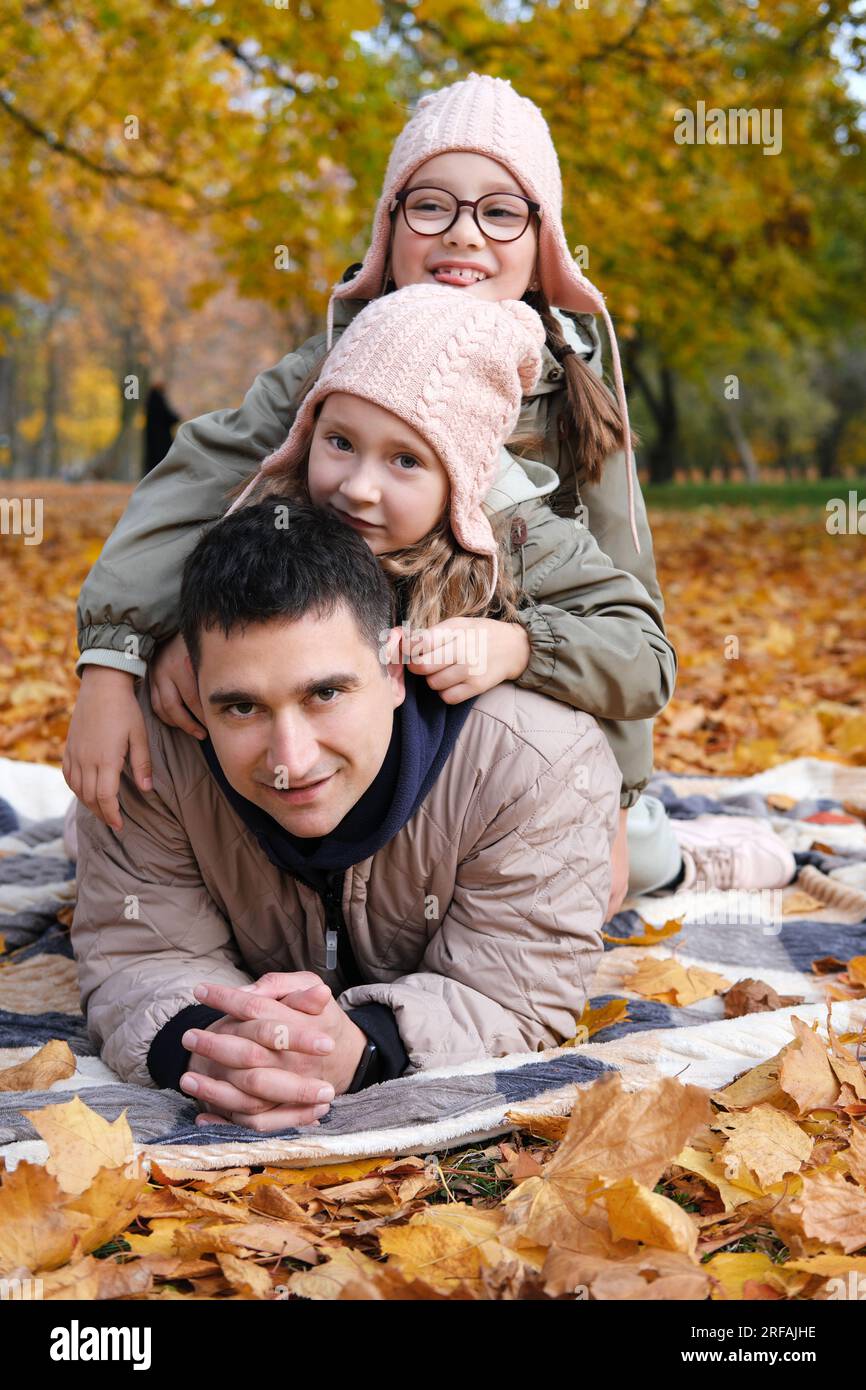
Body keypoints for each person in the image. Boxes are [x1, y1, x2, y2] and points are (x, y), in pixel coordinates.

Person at [63, 71, 794, 904]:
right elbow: (196, 487)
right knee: (194, 774)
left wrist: (615, 805)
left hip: (480, 696)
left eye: (500, 212)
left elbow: (626, 620)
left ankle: (676, 855)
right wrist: (123, 659)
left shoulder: (574, 404)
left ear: (541, 242)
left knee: (583, 849)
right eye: (431, 206)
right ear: (389, 226)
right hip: (338, 690)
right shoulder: (329, 371)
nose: (463, 236)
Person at [71, 510, 621, 1129]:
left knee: (650, 871)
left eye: (324, 694)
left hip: (564, 829)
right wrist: (214, 1051)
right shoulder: (147, 756)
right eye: (243, 707)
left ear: (392, 669)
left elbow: (515, 990)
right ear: (195, 691)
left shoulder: (535, 760)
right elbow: (137, 953)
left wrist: (361, 1051)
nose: (291, 760)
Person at [142, 382, 180, 476]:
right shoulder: (159, 400)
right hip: (162, 438)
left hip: (151, 438)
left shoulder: (149, 402)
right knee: (162, 458)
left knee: (152, 461)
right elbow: (170, 417)